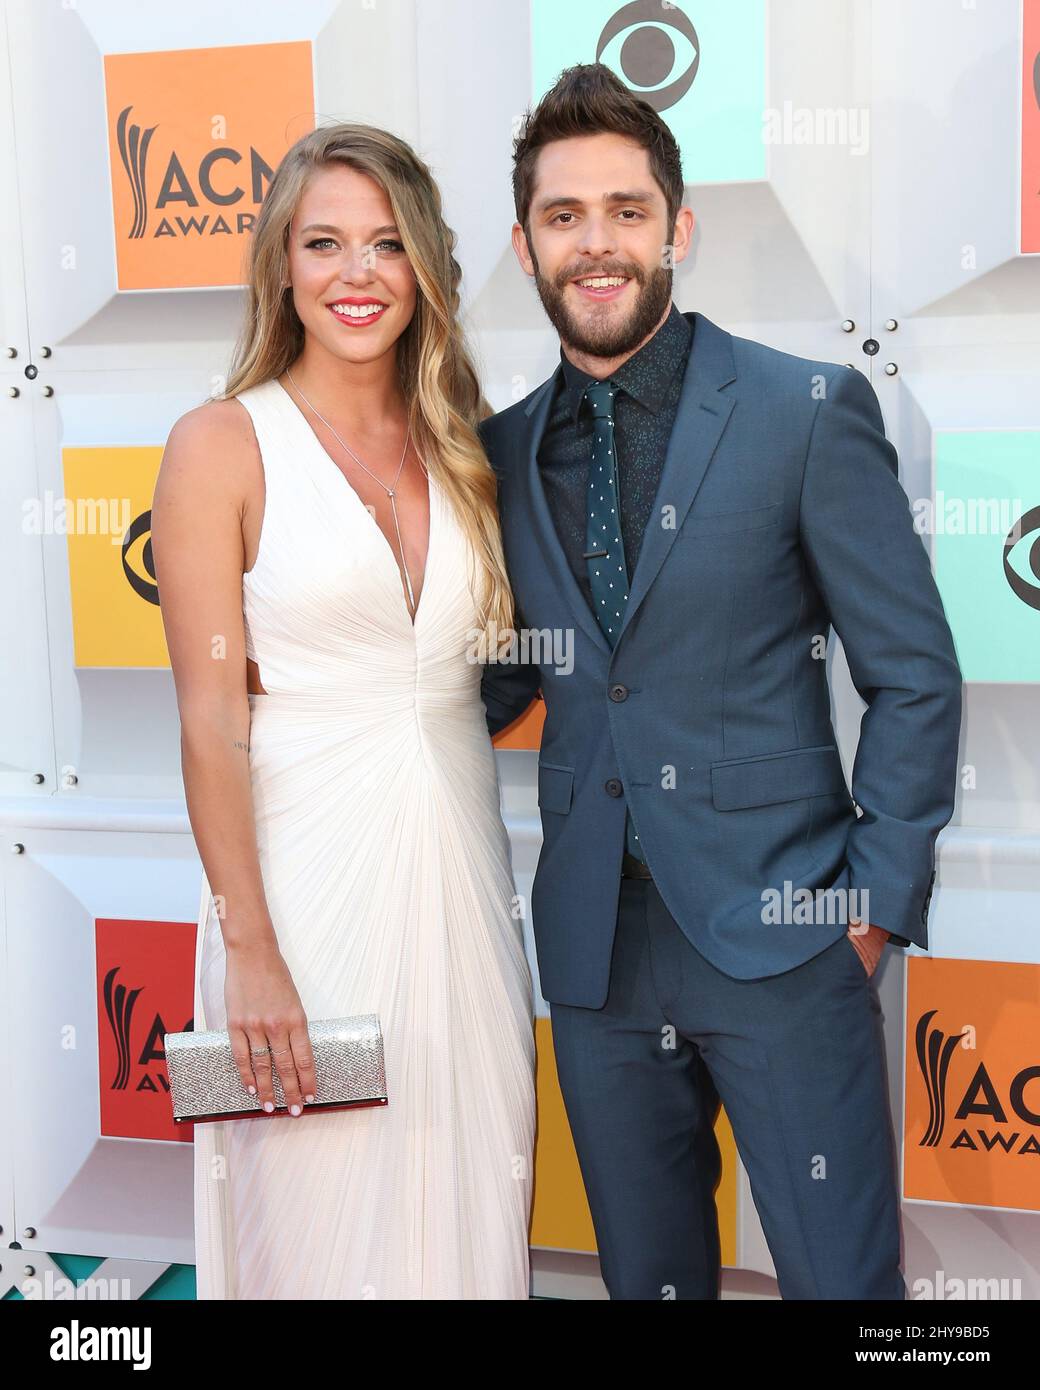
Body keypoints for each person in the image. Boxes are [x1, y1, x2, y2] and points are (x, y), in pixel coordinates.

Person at [479, 64, 963, 1300]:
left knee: (845, 1291)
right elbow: (491, 686)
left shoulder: (801, 411)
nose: (596, 243)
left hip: (790, 933)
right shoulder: (496, 451)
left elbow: (911, 672)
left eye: (625, 211)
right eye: (563, 215)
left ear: (676, 229)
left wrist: (869, 905)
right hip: (594, 952)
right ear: (524, 243)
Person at [152, 123, 535, 1299]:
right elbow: (212, 719)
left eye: (385, 245)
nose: (356, 274)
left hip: (463, 895)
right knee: (315, 1234)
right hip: (301, 903)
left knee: (470, 1208)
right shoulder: (219, 443)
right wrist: (249, 949)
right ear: (280, 264)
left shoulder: (462, 449)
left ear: (423, 268)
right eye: (323, 243)